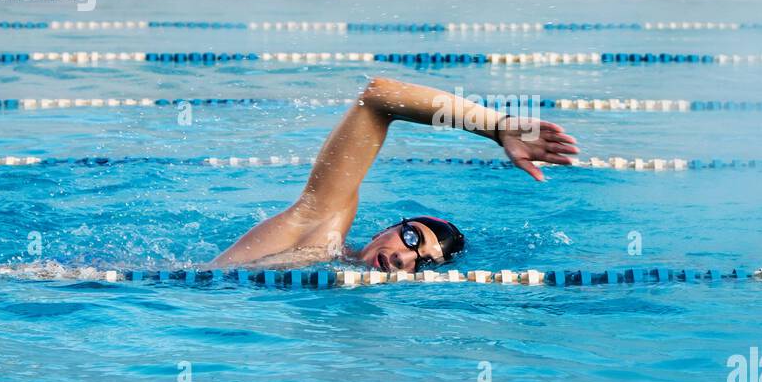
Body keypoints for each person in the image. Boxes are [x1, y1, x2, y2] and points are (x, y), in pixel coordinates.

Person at [212, 76, 580, 270]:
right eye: (410, 238)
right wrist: (496, 126)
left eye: (423, 263)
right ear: (385, 229)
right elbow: (378, 98)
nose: (407, 258)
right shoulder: (318, 228)